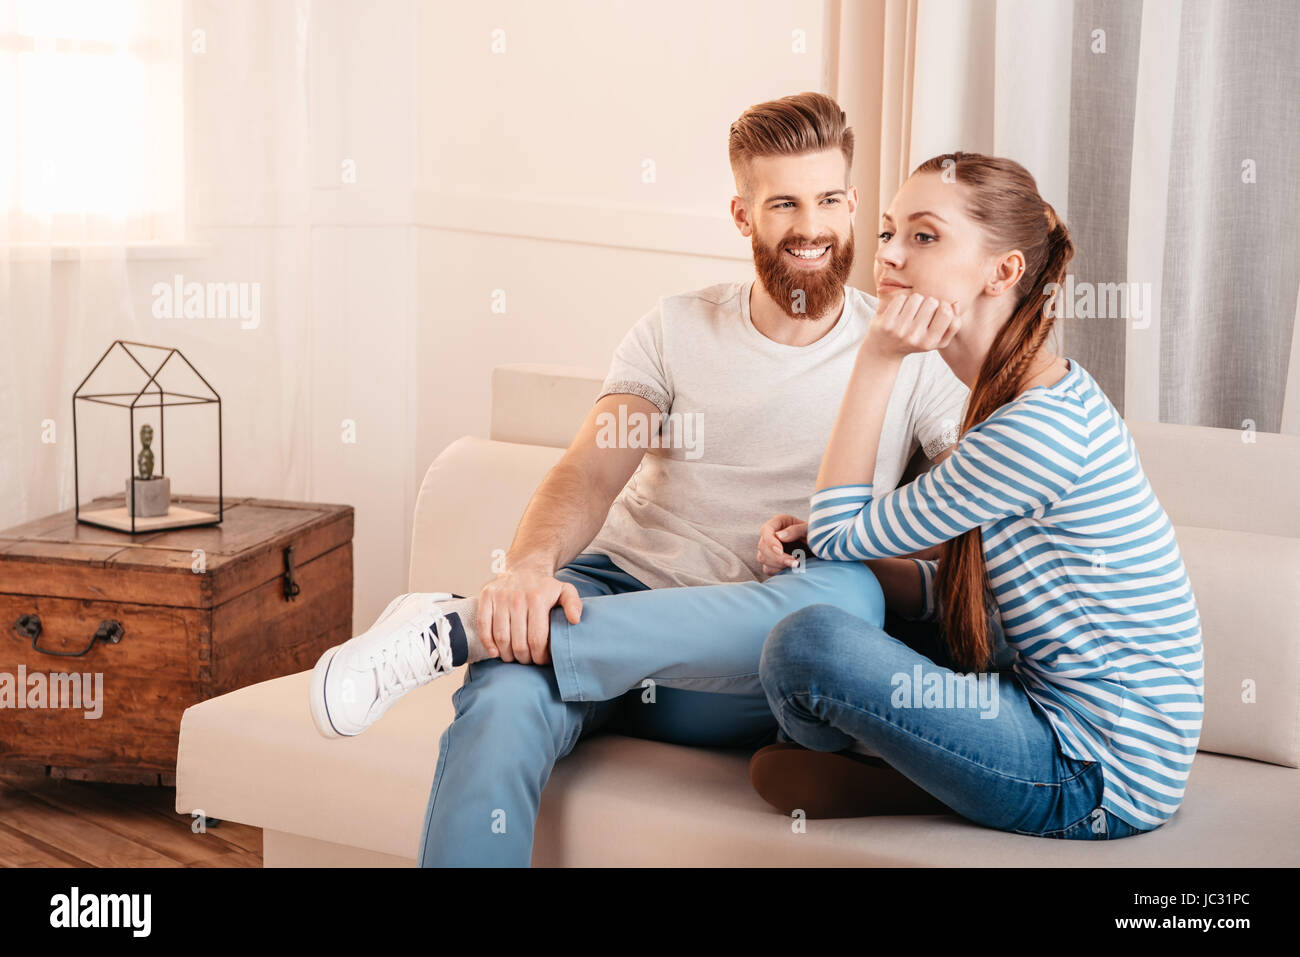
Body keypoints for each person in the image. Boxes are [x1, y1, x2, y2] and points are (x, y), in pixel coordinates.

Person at [305, 91, 974, 866]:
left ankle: (459, 625)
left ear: (854, 203)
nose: (811, 227)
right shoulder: (675, 328)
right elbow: (589, 472)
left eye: (828, 199)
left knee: (844, 598)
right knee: (502, 697)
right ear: (741, 215)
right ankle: (495, 627)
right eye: (784, 203)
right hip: (615, 598)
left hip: (753, 665)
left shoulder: (906, 351)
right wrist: (526, 571)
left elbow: (970, 521)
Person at [750, 151, 1204, 840]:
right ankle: (936, 766)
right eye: (888, 232)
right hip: (1044, 703)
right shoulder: (1029, 394)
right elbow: (960, 591)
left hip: (1095, 771)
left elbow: (843, 529)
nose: (890, 256)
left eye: (925, 236)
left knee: (806, 645)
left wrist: (875, 357)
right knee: (844, 585)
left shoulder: (1034, 428)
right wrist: (823, 547)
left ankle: (919, 771)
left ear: (1004, 271)